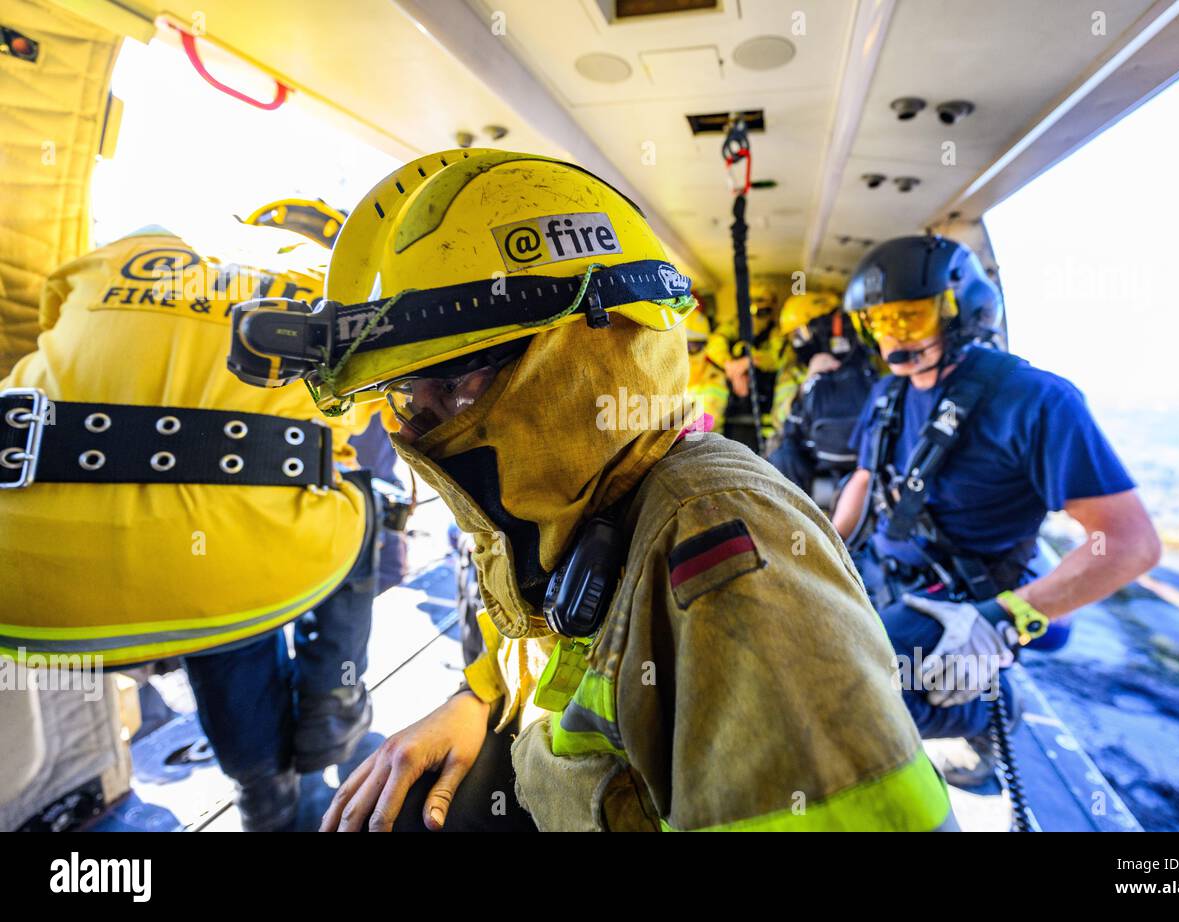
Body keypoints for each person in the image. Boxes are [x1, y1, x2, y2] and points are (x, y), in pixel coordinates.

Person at [237, 149, 953, 831]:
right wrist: (476, 696)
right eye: (405, 395)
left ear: (591, 356)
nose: (424, 427)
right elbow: (552, 648)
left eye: (454, 382)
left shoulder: (721, 547)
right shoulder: (585, 507)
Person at [0, 200, 377, 830]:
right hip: (231, 567)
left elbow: (46, 329)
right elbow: (361, 420)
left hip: (24, 583)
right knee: (343, 493)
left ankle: (263, 789)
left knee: (217, 569)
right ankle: (331, 706)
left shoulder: (133, 246)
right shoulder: (342, 293)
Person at [830, 234, 1161, 748]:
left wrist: (1002, 620)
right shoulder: (888, 393)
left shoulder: (1036, 399)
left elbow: (1129, 544)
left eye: (909, 319)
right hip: (884, 570)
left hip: (967, 596)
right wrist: (826, 550)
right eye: (877, 322)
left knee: (854, 695)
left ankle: (995, 711)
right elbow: (865, 477)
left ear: (962, 312)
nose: (891, 339)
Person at [767, 290, 878, 500]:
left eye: (800, 334)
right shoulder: (794, 369)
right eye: (793, 337)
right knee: (782, 454)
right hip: (811, 455)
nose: (797, 342)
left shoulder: (864, 356)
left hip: (863, 452)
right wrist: (809, 379)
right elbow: (780, 419)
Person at [706, 279, 788, 447]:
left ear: (772, 309)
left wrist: (750, 361)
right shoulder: (734, 325)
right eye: (750, 311)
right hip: (732, 398)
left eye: (762, 311)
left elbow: (776, 357)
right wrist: (729, 365)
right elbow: (715, 343)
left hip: (765, 397)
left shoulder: (777, 332)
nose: (755, 317)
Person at [683, 306, 728, 429]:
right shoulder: (669, 373)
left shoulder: (714, 376)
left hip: (704, 439)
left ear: (705, 345)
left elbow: (708, 421)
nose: (688, 352)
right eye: (684, 346)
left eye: (694, 346)